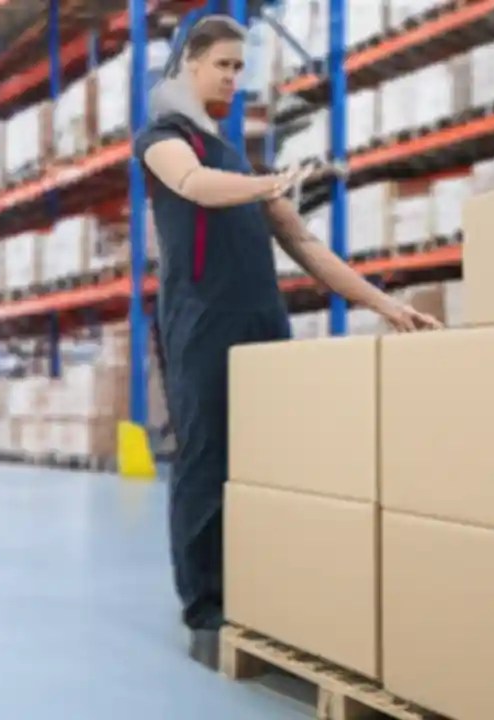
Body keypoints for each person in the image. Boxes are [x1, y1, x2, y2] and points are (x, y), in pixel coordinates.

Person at [135, 15, 442, 669]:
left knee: (266, 461)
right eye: (222, 63)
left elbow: (304, 244)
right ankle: (204, 608)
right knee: (205, 459)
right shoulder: (163, 140)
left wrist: (386, 304)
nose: (232, 78)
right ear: (189, 63)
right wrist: (268, 185)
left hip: (261, 320)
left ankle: (261, 588)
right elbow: (191, 186)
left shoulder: (238, 159)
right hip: (202, 322)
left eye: (240, 68)